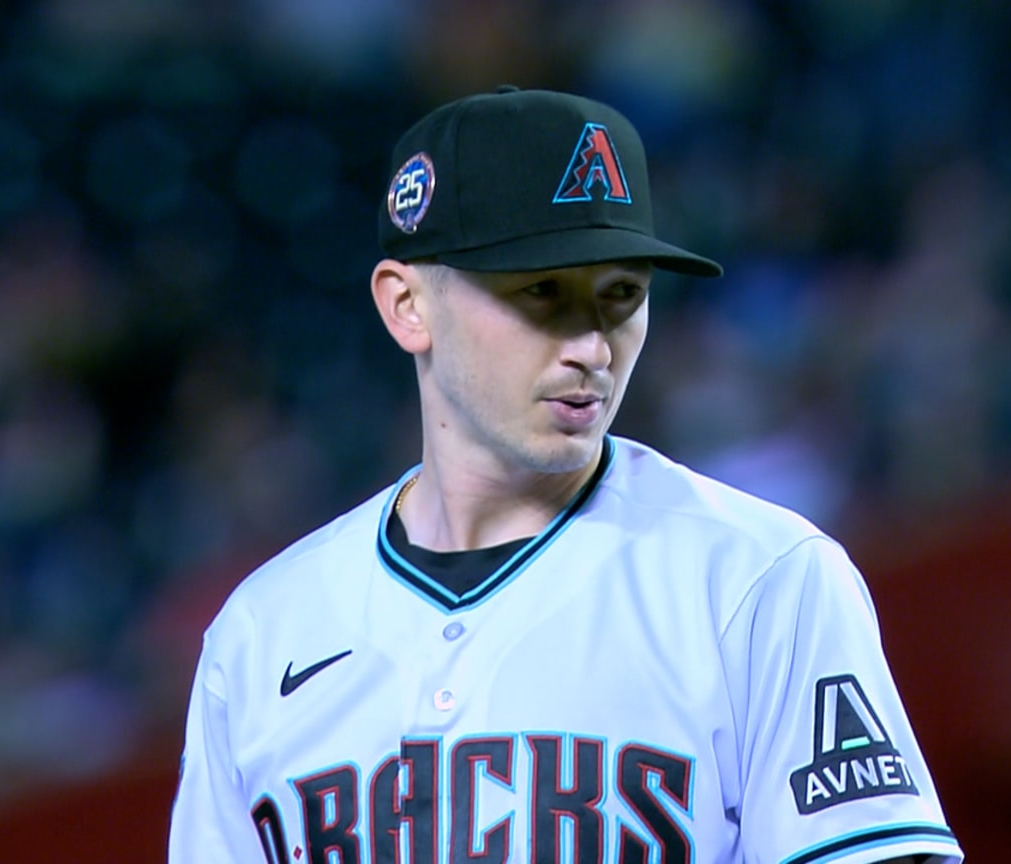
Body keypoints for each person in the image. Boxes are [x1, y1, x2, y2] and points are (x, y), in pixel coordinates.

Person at [169, 85, 962, 864]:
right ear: (408, 305)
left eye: (621, 293)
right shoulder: (263, 633)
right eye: (541, 290)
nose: (593, 343)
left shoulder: (760, 579)